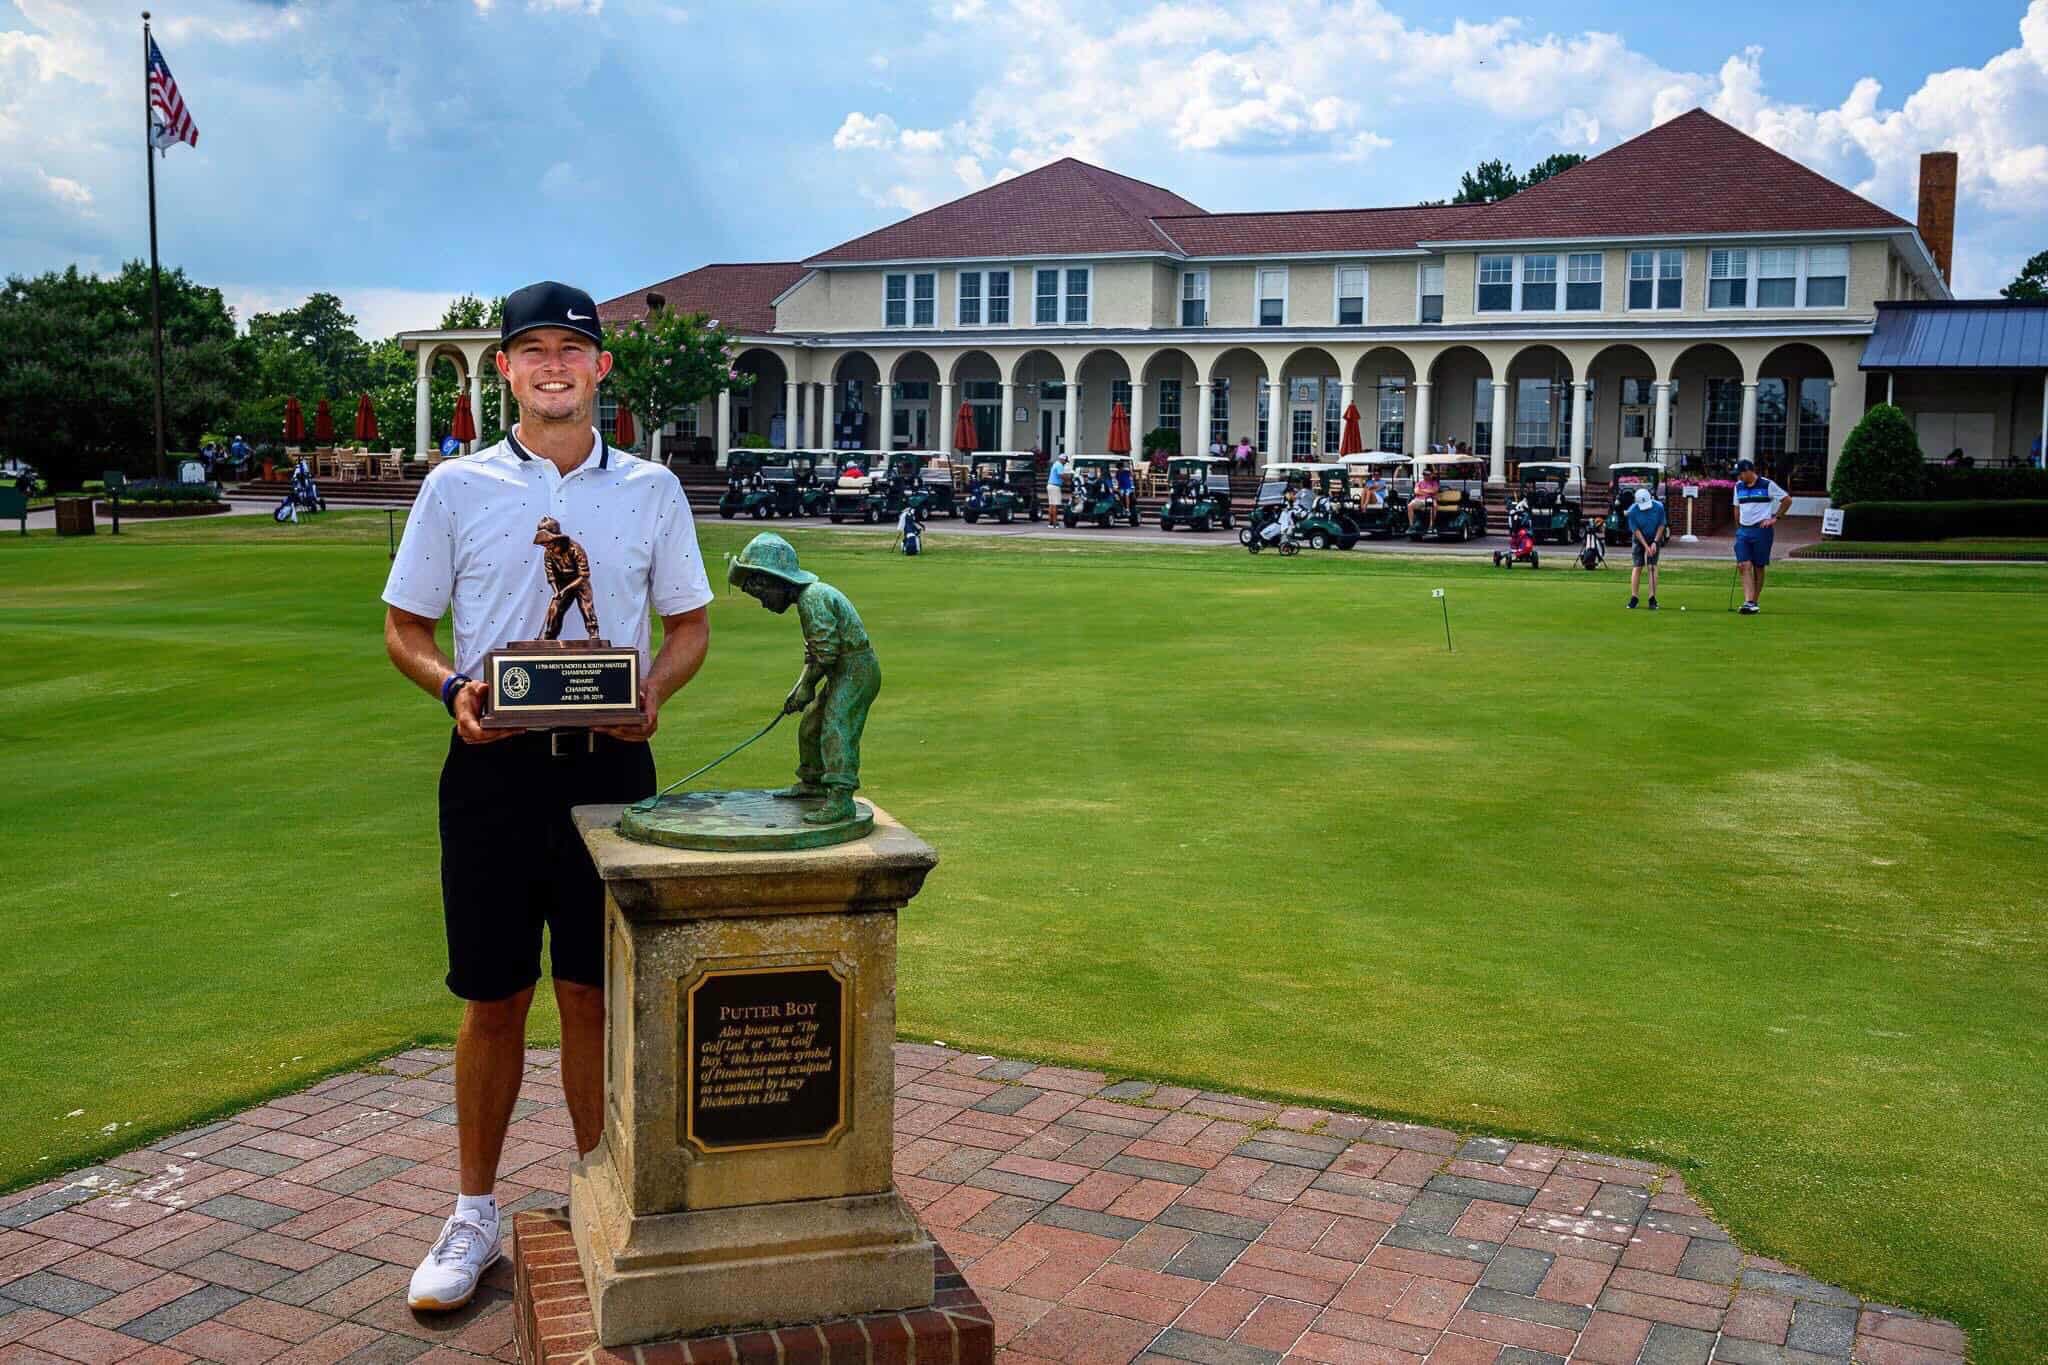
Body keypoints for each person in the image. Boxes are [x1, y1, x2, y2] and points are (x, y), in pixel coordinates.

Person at [380, 281, 713, 1312]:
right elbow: (404, 625)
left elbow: (689, 626)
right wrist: (450, 690)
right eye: (534, 351)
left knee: (591, 994)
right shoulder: (457, 487)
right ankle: (474, 1211)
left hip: (612, 768)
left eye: (574, 348)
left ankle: (594, 1190)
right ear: (507, 370)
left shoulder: (652, 488)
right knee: (492, 997)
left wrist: (650, 694)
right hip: (492, 767)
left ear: (601, 368)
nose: (555, 365)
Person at [729, 534, 879, 826]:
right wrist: (799, 688)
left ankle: (840, 798)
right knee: (811, 723)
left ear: (773, 582)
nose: (763, 604)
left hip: (856, 671)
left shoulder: (813, 598)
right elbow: (814, 653)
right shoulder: (808, 599)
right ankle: (813, 783)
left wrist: (808, 686)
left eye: (761, 596)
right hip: (843, 669)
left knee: (837, 726)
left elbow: (826, 654)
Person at [1732, 457, 1791, 614]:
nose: (1739, 477)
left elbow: (1787, 500)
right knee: (1743, 565)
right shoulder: (1738, 487)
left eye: (1741, 474)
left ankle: (1754, 601)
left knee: (1758, 566)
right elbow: (1736, 508)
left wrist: (1775, 518)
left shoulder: (1767, 485)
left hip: (1761, 530)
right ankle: (1748, 601)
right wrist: (1738, 528)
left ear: (1749, 471)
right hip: (1744, 530)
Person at [1624, 485, 1667, 610]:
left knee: (1652, 567)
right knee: (1637, 566)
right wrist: (1645, 546)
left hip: (1654, 537)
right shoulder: (1632, 511)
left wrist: (1654, 542)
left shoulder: (1659, 507)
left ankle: (1652, 598)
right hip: (1639, 539)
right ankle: (1634, 598)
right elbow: (1636, 530)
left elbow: (1661, 525)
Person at [1408, 466, 1440, 531]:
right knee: (1409, 505)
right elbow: (1416, 491)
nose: (1426, 476)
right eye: (1425, 475)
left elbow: (1434, 491)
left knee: (1434, 506)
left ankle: (1431, 525)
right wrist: (1427, 491)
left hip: (1430, 499)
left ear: (1430, 475)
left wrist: (1422, 490)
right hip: (1419, 499)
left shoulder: (1434, 483)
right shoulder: (1419, 483)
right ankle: (1411, 525)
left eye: (1428, 475)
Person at [1047, 452, 1066, 526]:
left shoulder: (1055, 464)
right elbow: (1061, 475)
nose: (1065, 463)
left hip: (1050, 485)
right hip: (1055, 486)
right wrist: (1067, 479)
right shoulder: (1059, 465)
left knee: (1051, 505)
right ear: (1062, 459)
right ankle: (1055, 522)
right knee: (1055, 505)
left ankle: (1050, 522)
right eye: (1065, 461)